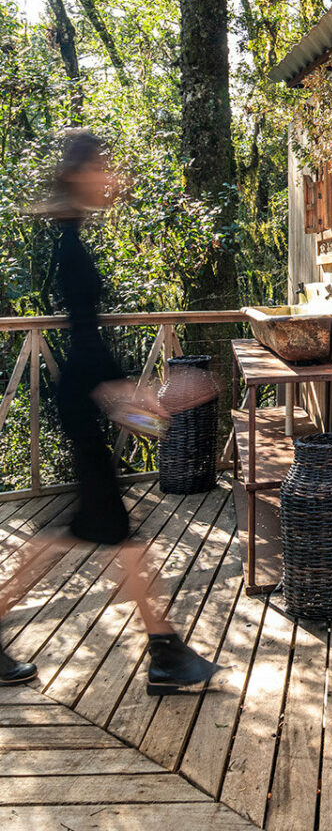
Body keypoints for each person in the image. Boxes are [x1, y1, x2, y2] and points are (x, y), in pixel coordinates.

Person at [0, 131, 219, 694]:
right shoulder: (69, 245)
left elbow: (87, 335)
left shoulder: (71, 236)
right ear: (79, 174)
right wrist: (126, 392)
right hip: (84, 393)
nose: (110, 177)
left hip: (86, 395)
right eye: (102, 168)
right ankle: (165, 654)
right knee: (103, 532)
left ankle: (165, 652)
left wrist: (131, 399)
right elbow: (85, 338)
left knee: (99, 531)